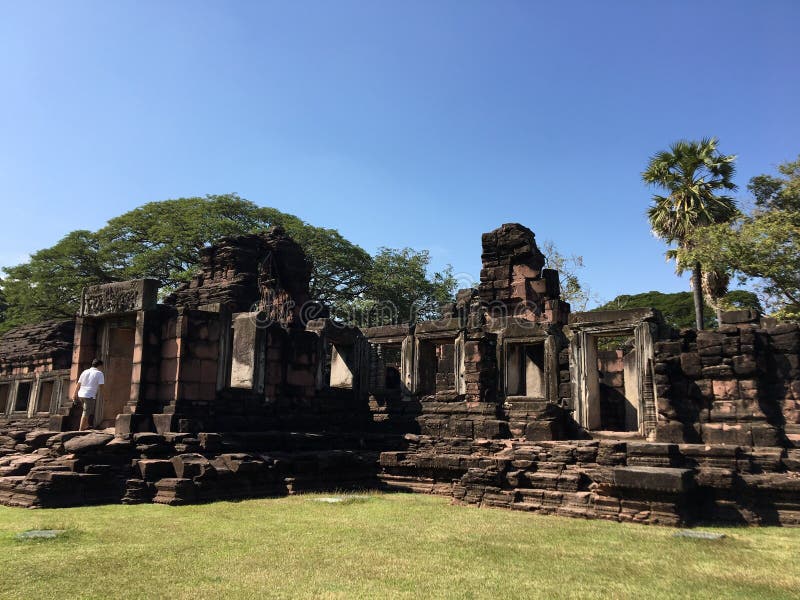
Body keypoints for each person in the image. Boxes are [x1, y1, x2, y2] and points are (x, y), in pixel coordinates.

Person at [73, 358, 105, 430]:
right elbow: (102, 386)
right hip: (89, 395)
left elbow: (78, 384)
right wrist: (105, 396)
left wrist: (74, 394)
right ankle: (80, 430)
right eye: (102, 367)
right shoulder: (99, 373)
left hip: (81, 395)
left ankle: (86, 425)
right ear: (99, 366)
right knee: (86, 414)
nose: (102, 368)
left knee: (88, 411)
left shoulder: (85, 371)